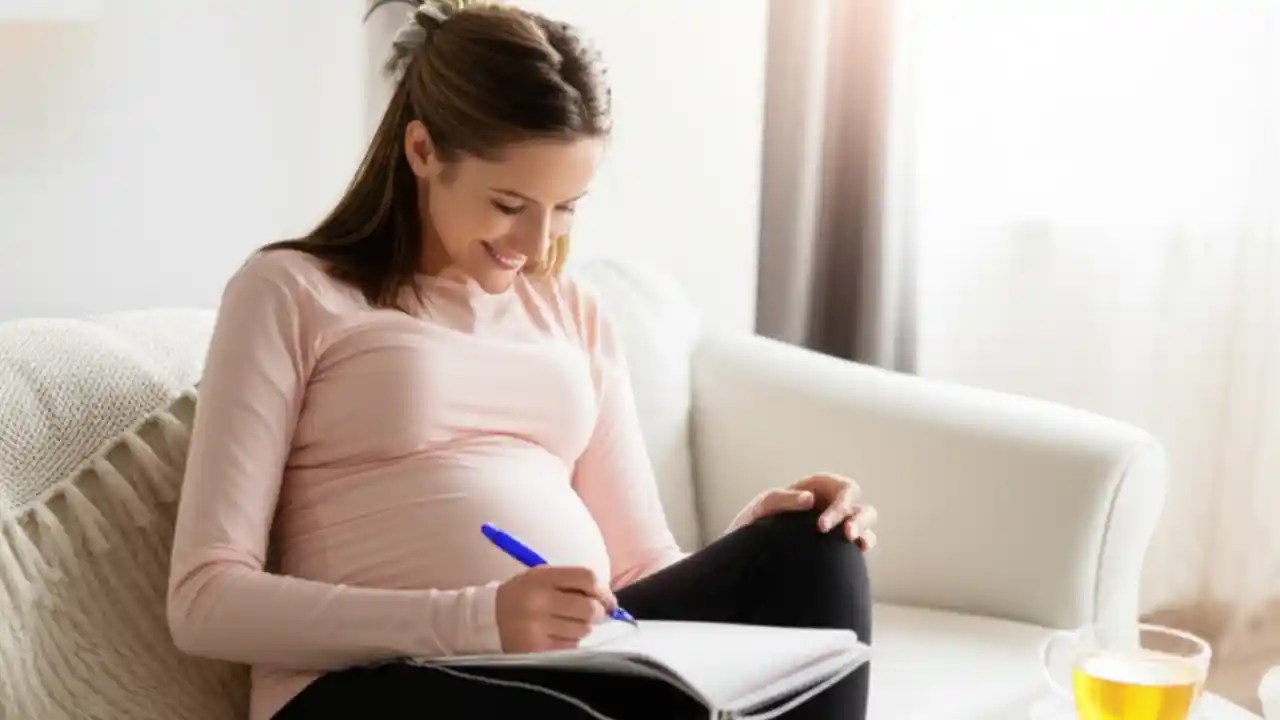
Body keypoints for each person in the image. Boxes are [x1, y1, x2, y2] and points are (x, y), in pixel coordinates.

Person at [165, 1, 878, 718]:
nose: (538, 244)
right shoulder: (292, 290)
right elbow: (204, 600)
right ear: (422, 152)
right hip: (374, 686)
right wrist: (480, 618)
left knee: (814, 548)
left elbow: (638, 573)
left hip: (566, 662)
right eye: (510, 203)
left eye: (565, 207)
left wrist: (748, 542)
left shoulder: (573, 312)